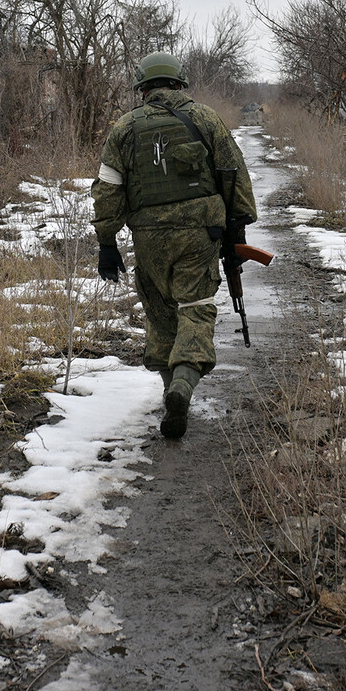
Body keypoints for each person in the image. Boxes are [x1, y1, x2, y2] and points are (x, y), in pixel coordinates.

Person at [91, 52, 257, 439]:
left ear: (142, 88)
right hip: (200, 234)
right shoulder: (205, 118)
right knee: (195, 309)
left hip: (148, 237)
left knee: (161, 314)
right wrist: (238, 229)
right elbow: (234, 174)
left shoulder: (124, 128)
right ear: (180, 84)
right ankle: (183, 387)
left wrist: (106, 241)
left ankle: (171, 392)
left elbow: (108, 191)